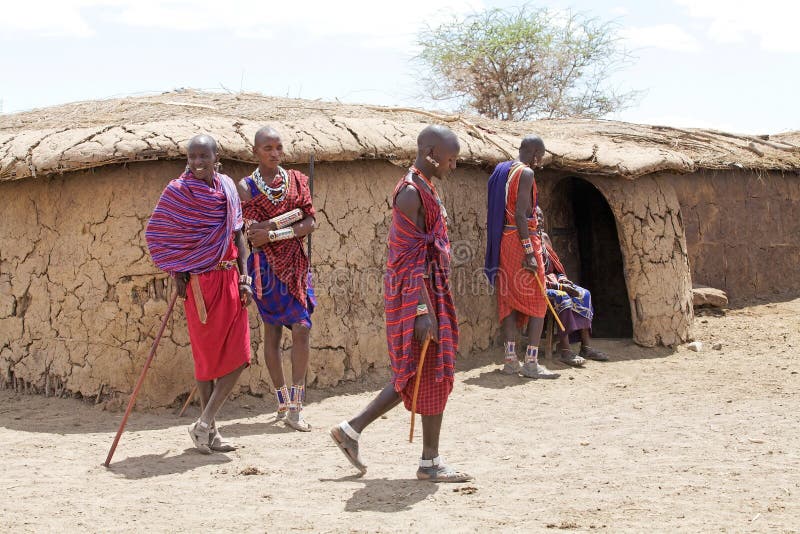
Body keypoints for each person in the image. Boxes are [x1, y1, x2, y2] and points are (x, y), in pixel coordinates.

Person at [329, 125, 471, 483]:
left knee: (427, 369)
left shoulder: (425, 187)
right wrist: (422, 311)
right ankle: (425, 460)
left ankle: (359, 433)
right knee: (421, 368)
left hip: (426, 288)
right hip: (415, 292)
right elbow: (407, 258)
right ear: (430, 152)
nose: (453, 166)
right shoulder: (410, 193)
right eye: (451, 159)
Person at [145, 134, 252, 454]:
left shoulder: (229, 189)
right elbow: (162, 236)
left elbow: (239, 236)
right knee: (207, 362)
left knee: (240, 356)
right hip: (199, 286)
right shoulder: (178, 193)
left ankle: (203, 422)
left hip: (231, 279)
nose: (197, 163)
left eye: (203, 156)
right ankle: (210, 431)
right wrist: (178, 271)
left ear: (217, 157)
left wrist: (246, 276)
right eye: (192, 157)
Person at [237, 126, 317, 432]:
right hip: (265, 269)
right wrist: (288, 220)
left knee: (302, 328)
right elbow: (253, 235)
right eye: (267, 148)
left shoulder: (296, 180)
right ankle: (282, 402)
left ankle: (297, 406)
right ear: (255, 151)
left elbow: (310, 220)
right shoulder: (245, 187)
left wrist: (273, 230)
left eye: (278, 147)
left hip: (296, 264)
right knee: (272, 333)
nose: (274, 153)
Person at [484, 135, 559, 379]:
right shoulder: (525, 173)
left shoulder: (503, 170)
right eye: (542, 156)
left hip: (505, 242)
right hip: (520, 241)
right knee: (538, 300)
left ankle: (510, 360)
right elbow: (519, 214)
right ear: (535, 152)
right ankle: (531, 362)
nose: (540, 162)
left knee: (508, 299)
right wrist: (529, 251)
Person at [537, 207, 609, 364]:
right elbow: (533, 275)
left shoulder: (545, 238)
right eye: (536, 216)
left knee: (584, 294)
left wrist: (562, 279)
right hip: (538, 286)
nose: (540, 220)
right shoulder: (526, 241)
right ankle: (565, 351)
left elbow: (557, 265)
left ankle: (586, 347)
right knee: (563, 298)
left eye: (541, 216)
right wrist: (560, 288)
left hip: (555, 281)